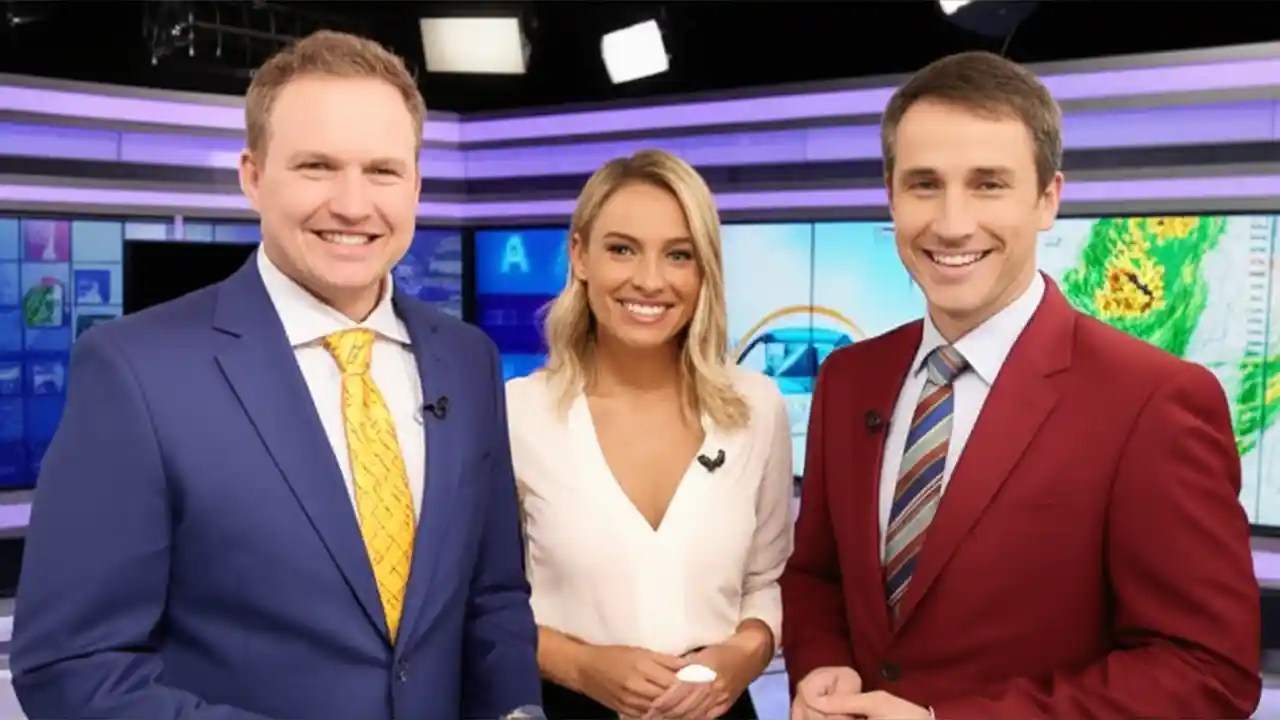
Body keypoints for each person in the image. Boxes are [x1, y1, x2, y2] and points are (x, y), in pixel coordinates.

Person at [11, 30, 541, 720]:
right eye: (317, 166)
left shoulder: (467, 361)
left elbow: (492, 596)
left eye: (382, 171)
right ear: (252, 175)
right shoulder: (135, 370)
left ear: (415, 183)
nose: (353, 205)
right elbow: (72, 668)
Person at [781, 50, 1261, 719]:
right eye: (924, 184)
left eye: (988, 185)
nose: (951, 223)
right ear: (889, 194)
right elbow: (817, 576)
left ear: (1048, 200)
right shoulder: (848, 378)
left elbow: (1205, 671)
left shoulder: (1154, 401)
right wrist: (824, 661)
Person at [504, 149, 794, 719]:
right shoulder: (518, 413)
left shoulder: (756, 407)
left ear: (703, 268)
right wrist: (582, 667)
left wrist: (741, 656)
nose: (650, 280)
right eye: (622, 249)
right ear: (580, 255)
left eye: (678, 255)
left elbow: (766, 581)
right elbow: (486, 605)